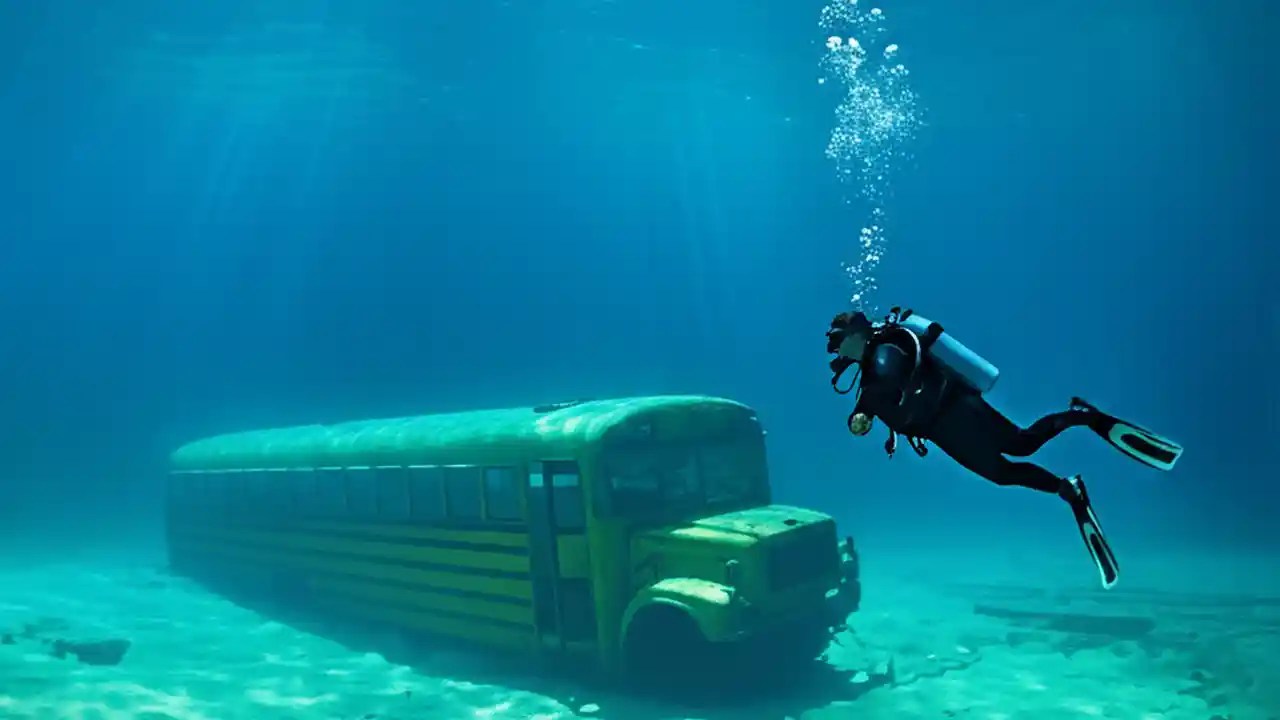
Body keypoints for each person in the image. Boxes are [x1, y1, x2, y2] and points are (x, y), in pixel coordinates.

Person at [825, 307, 1184, 588]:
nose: (835, 349)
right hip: (942, 432)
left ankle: (1082, 416)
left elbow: (888, 381)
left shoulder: (886, 351)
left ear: (855, 334)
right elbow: (876, 397)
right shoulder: (871, 367)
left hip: (958, 411)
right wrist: (861, 414)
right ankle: (1067, 489)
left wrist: (864, 409)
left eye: (838, 340)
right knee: (1001, 473)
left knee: (1022, 444)